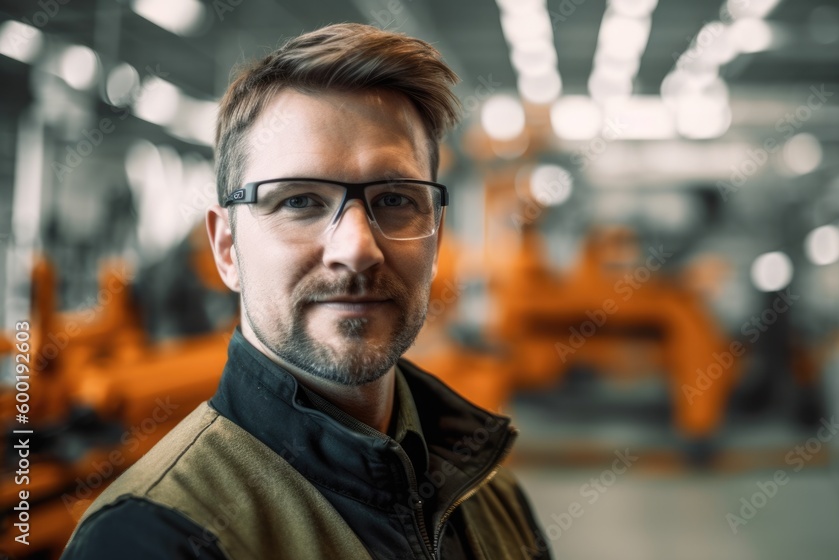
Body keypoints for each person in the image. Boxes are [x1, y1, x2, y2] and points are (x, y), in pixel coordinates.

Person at [62, 23, 550, 560]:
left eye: (395, 199)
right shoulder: (154, 538)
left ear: (435, 235)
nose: (358, 248)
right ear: (227, 249)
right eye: (299, 201)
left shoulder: (490, 496)